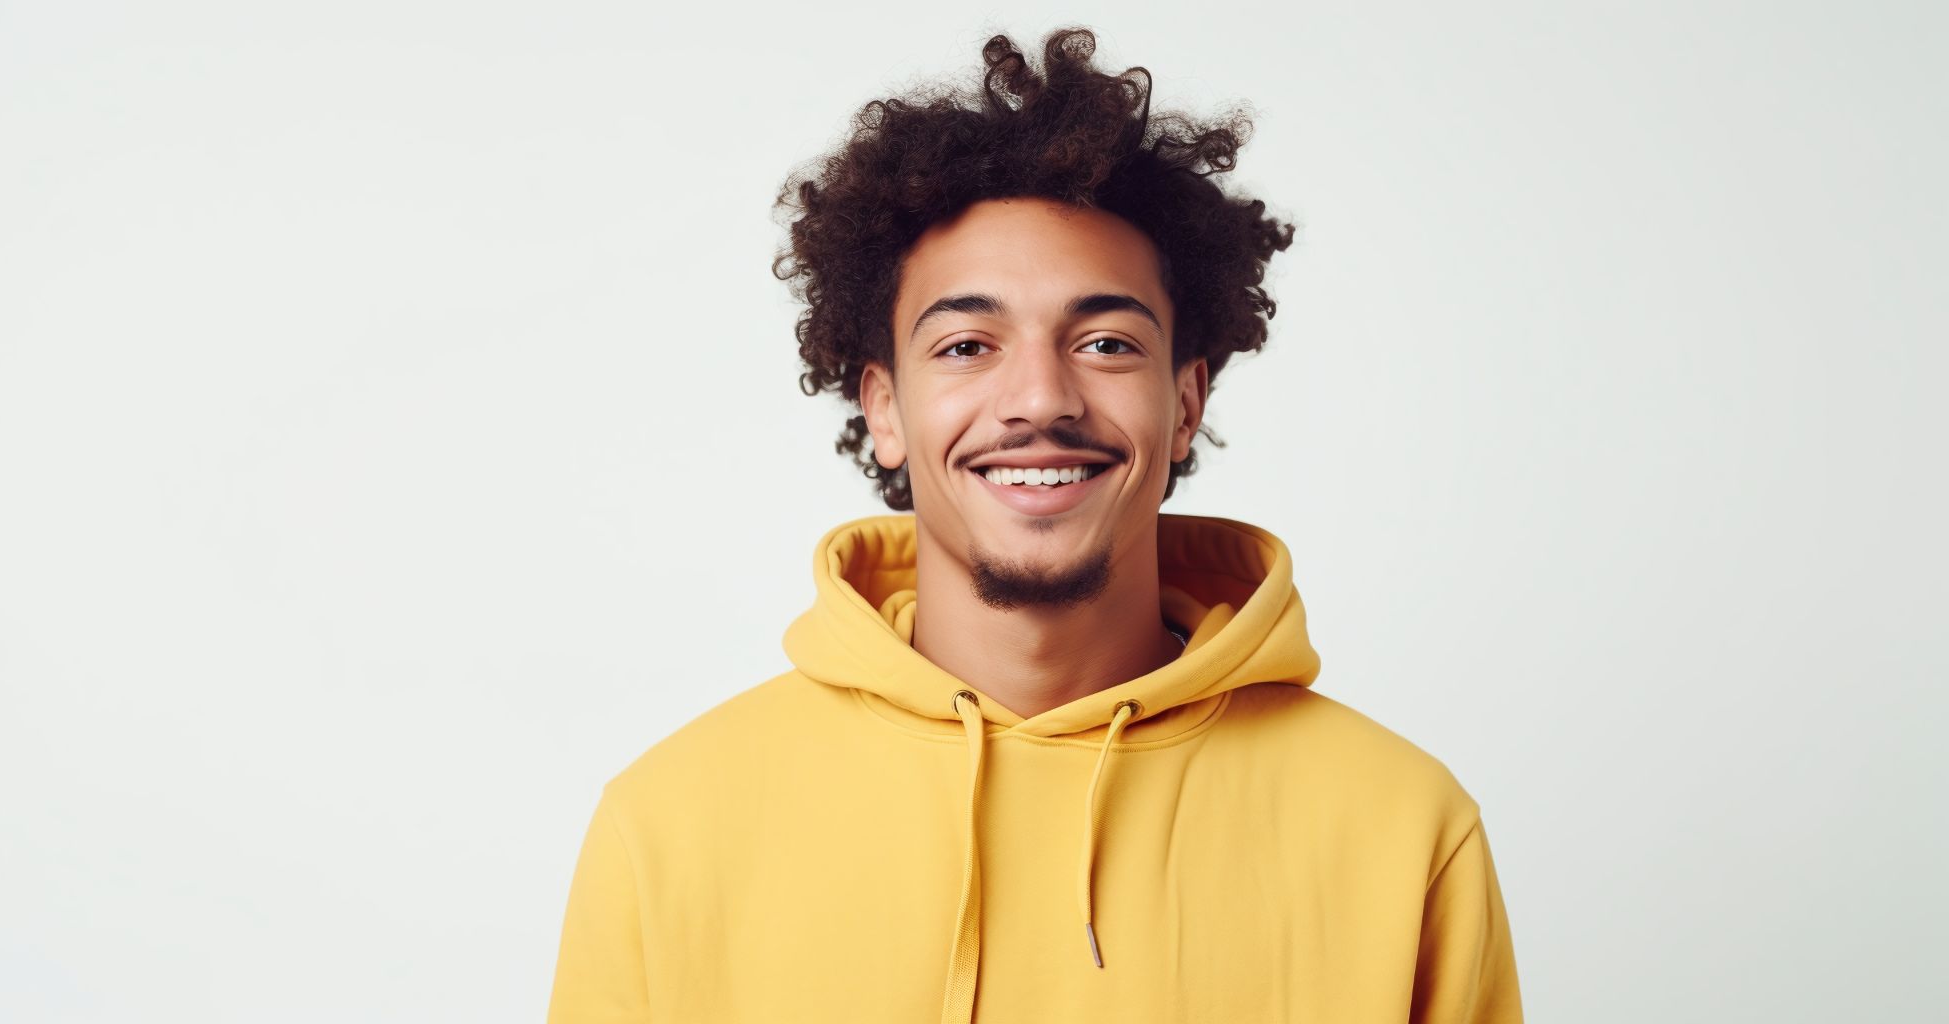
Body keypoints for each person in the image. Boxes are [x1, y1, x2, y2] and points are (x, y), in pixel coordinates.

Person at [548, 26, 1522, 1024]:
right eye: (967, 343)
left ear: (1183, 401)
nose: (1038, 398)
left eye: (1102, 341)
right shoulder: (669, 826)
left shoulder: (1402, 829)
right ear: (882, 407)